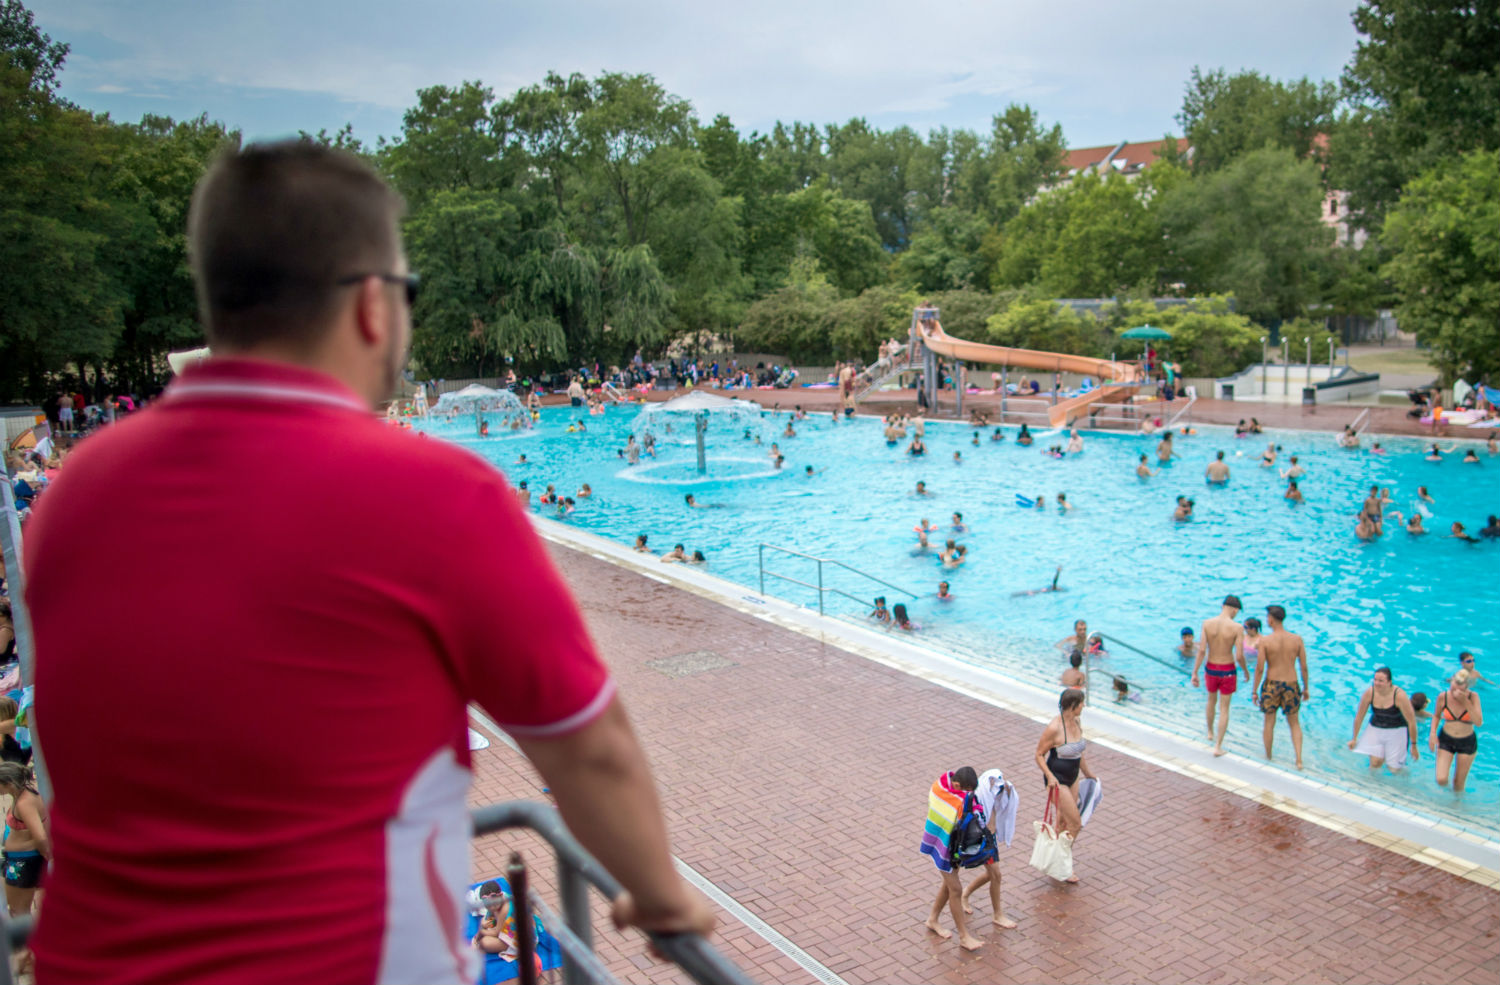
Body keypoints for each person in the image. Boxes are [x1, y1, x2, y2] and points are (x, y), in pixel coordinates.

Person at [23, 142, 712, 984]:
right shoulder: (436, 495)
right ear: (373, 305)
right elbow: (590, 748)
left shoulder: (70, 498)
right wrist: (663, 897)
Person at [920, 767, 986, 951]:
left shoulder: (940, 785)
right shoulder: (953, 797)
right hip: (943, 845)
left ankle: (933, 919)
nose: (968, 794)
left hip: (945, 843)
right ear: (957, 785)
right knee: (955, 888)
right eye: (966, 791)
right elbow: (962, 811)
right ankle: (964, 937)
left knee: (949, 883)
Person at [1034, 689, 1095, 883]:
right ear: (1073, 705)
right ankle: (1061, 864)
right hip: (1057, 780)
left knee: (1063, 823)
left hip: (1073, 777)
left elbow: (1079, 753)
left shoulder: (1077, 722)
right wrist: (1050, 776)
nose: (1083, 706)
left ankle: (1055, 861)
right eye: (1081, 703)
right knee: (1075, 823)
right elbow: (1039, 754)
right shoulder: (1055, 728)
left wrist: (1088, 774)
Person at [1254, 604, 1310, 769]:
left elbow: (1260, 668)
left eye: (1267, 617)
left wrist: (1254, 691)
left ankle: (1268, 756)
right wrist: (1306, 688)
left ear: (1271, 619)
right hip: (1291, 683)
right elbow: (1304, 667)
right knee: (1294, 723)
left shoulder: (1265, 641)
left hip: (1272, 684)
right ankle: (1299, 760)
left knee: (1269, 722)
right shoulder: (1297, 639)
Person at [1192, 595, 1248, 757]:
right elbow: (1239, 656)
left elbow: (1202, 650)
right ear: (1235, 610)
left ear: (1222, 606)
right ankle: (1218, 746)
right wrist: (1245, 671)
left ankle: (1210, 732)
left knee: (1211, 700)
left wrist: (1195, 672)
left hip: (1211, 668)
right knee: (1224, 708)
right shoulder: (1237, 628)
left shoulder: (1207, 623)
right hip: (1227, 670)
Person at [1348, 668, 1419, 771]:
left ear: (1389, 682)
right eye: (1375, 680)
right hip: (1376, 728)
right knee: (1375, 763)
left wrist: (1414, 745)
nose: (1377, 683)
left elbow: (1411, 721)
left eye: (1381, 681)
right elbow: (1359, 716)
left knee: (1394, 769)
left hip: (1397, 731)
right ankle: (1370, 780)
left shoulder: (1399, 696)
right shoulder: (1370, 693)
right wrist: (1354, 738)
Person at [1430, 669, 1483, 792]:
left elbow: (1478, 722)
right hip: (1446, 739)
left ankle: (1456, 802)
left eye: (1460, 685)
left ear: (1467, 685)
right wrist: (1432, 733)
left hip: (1466, 741)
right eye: (1454, 684)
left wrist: (1466, 702)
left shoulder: (1473, 697)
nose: (1456, 688)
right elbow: (1436, 715)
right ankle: (1447, 796)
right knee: (1441, 779)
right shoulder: (1443, 696)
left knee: (1458, 784)